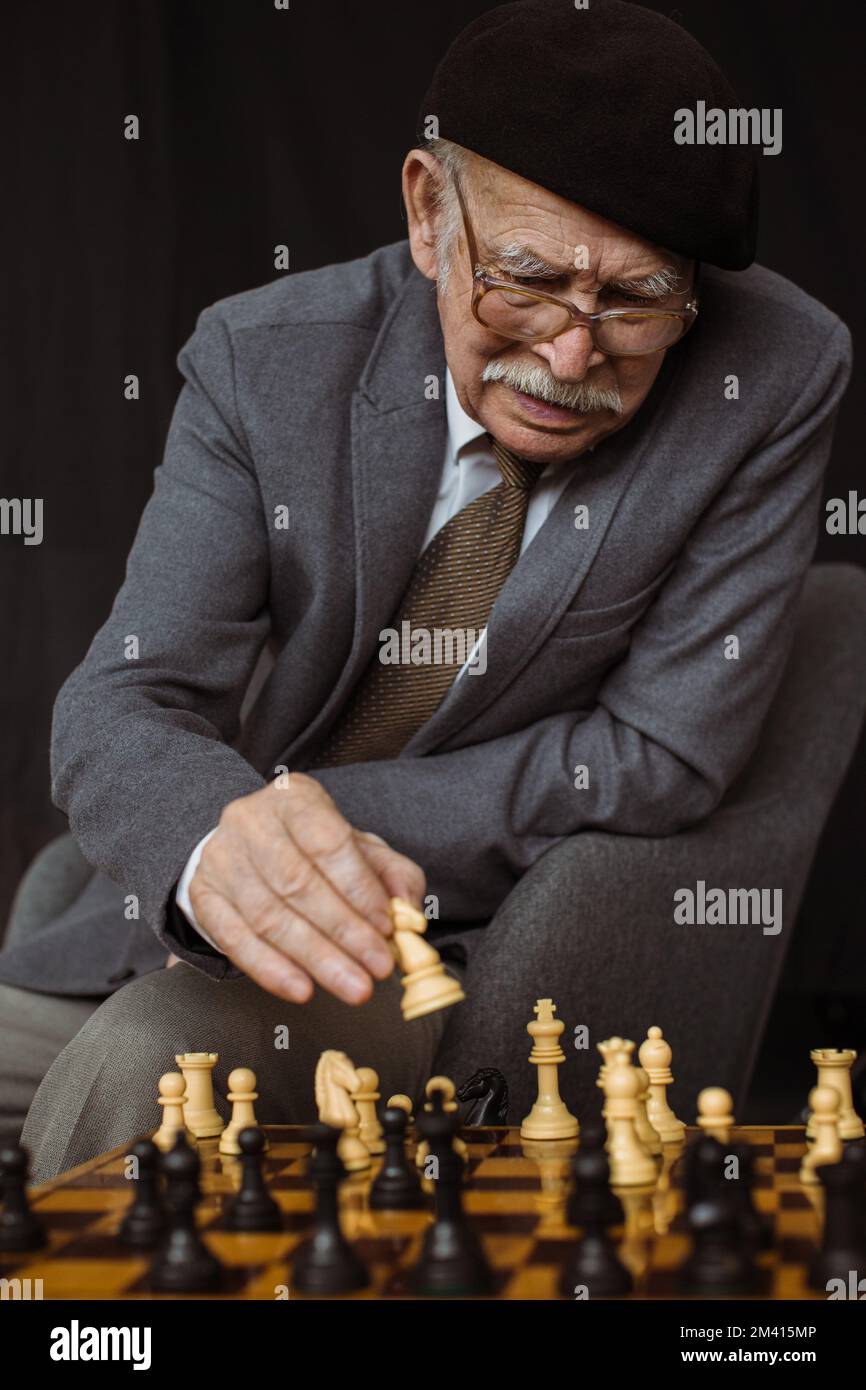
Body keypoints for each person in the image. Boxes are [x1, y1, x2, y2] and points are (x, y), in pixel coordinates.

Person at [0, 0, 851, 1181]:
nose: (567, 357)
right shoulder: (264, 358)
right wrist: (216, 844)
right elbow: (123, 700)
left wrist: (317, 828)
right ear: (425, 213)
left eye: (637, 300)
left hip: (458, 947)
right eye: (525, 279)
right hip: (158, 927)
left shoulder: (768, 371)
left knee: (154, 1068)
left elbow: (666, 751)